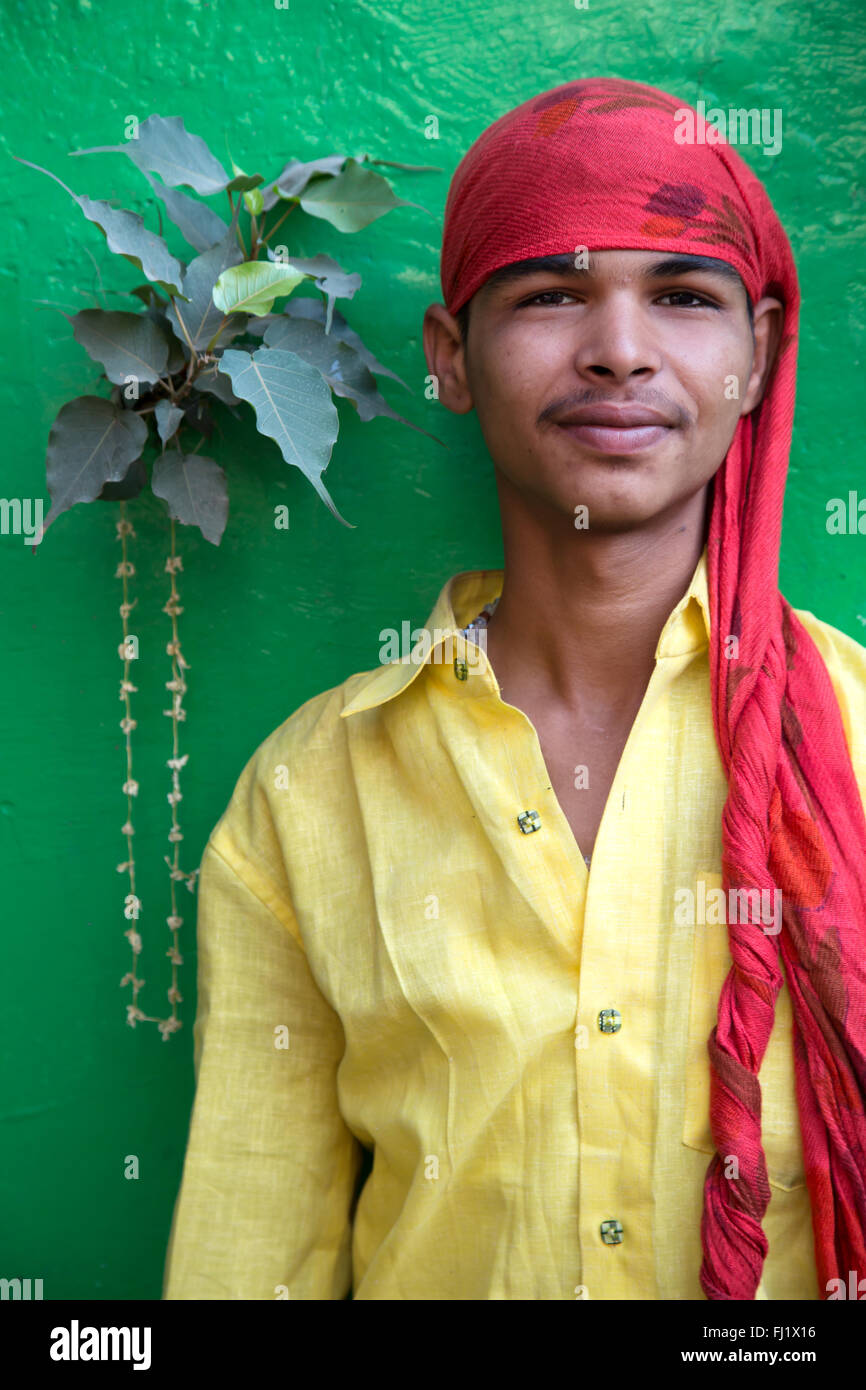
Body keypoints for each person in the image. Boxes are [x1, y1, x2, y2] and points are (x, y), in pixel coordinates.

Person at [162, 77, 866, 1301]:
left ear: (753, 358)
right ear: (450, 358)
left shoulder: (851, 735)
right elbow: (247, 1258)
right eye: (551, 295)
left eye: (684, 299)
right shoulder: (308, 797)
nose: (618, 350)